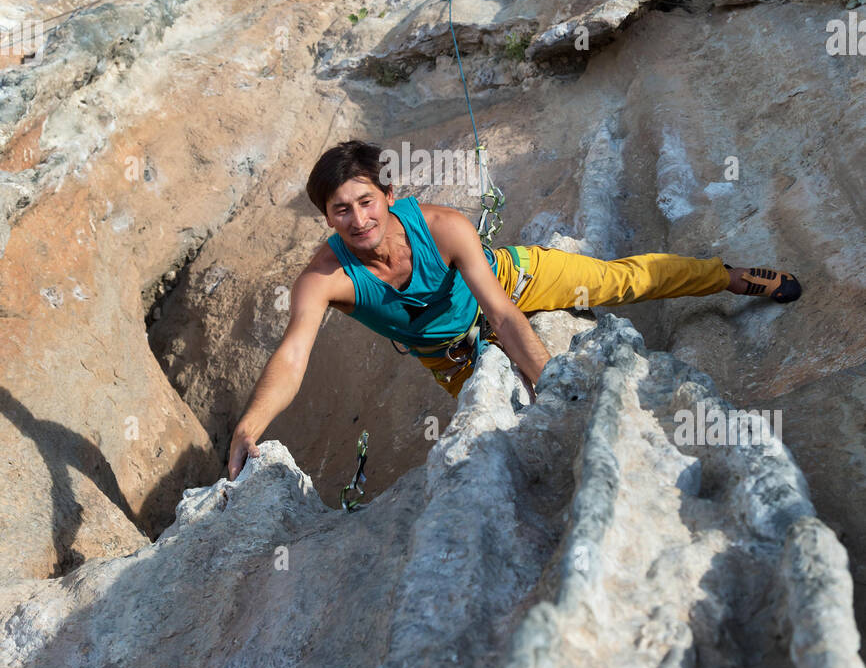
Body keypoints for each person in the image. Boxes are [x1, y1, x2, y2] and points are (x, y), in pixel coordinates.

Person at [227, 139, 802, 479]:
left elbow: (502, 316)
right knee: (512, 436)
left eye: (366, 201)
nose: (358, 220)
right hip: (451, 356)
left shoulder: (444, 228)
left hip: (512, 282)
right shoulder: (324, 278)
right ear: (326, 218)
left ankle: (729, 276)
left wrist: (554, 384)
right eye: (340, 210)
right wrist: (251, 425)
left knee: (615, 280)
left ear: (389, 196)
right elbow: (293, 356)